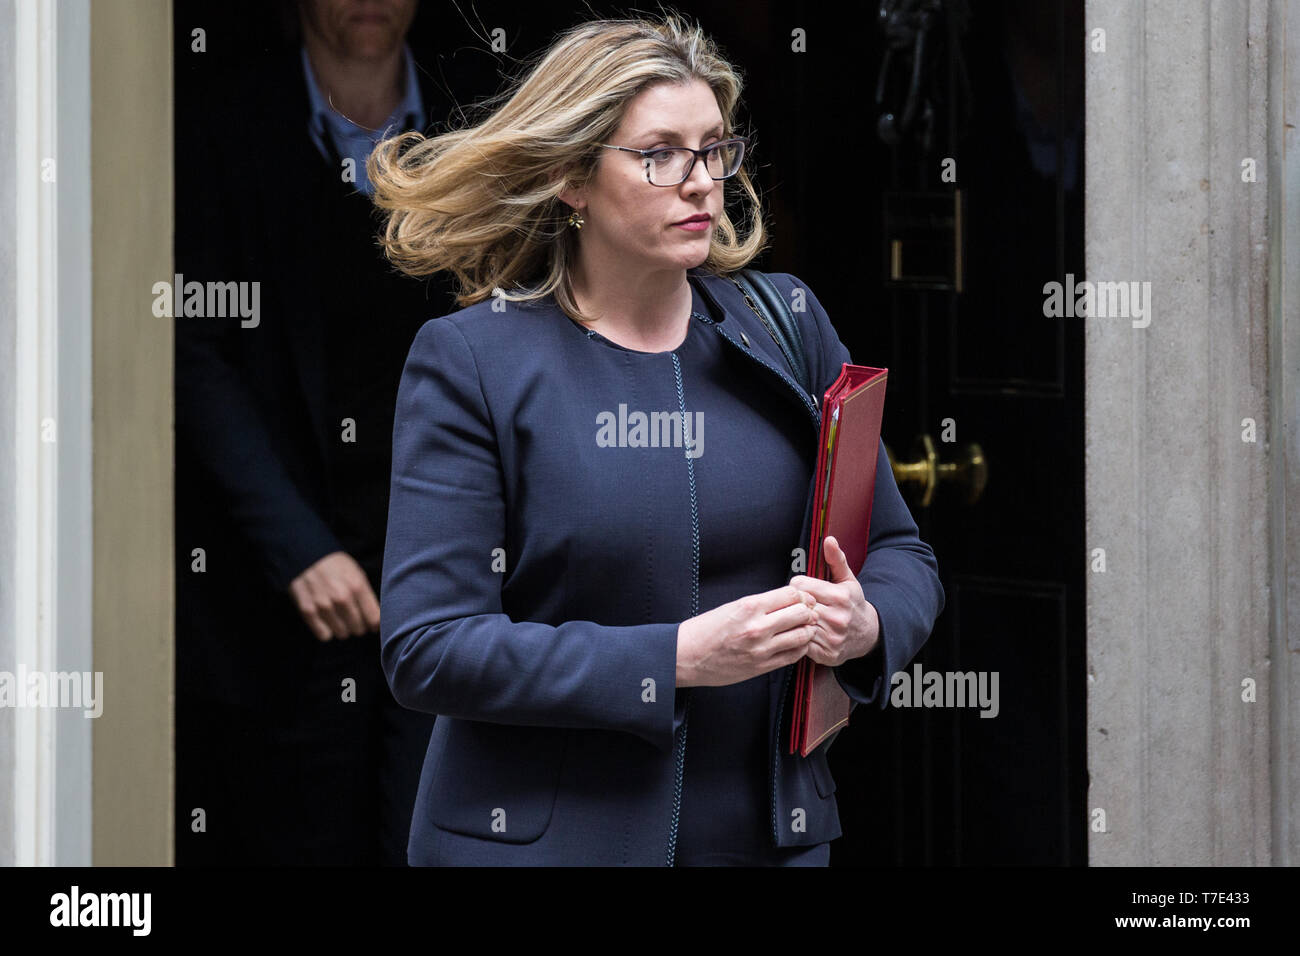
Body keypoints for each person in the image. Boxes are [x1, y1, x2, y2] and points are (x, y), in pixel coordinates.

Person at [370, 13, 945, 866]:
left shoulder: (785, 322)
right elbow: (429, 649)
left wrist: (865, 626)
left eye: (715, 148)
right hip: (546, 846)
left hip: (769, 840)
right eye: (660, 154)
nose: (703, 182)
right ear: (572, 178)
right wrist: (673, 658)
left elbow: (901, 553)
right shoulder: (473, 362)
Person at [173, 0, 444, 865]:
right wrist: (295, 547)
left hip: (446, 560)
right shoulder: (223, 122)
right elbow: (192, 347)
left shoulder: (479, 111)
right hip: (280, 577)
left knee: (426, 834)